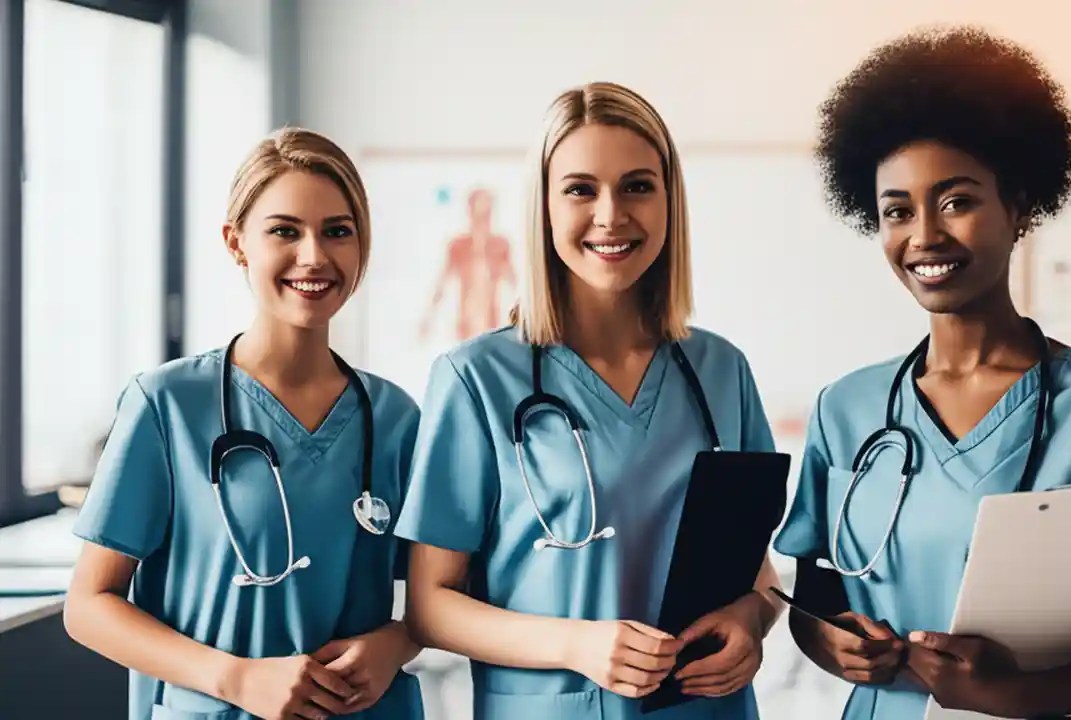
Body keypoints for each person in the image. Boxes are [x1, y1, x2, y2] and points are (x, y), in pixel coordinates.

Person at [773, 27, 1071, 719]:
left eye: (956, 201)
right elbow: (815, 595)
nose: (924, 234)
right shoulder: (847, 409)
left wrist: (1018, 696)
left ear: (1017, 206)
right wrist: (833, 642)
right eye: (897, 211)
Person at [394, 81, 783, 720]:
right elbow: (431, 606)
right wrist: (575, 643)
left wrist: (751, 621)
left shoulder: (720, 370)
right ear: (543, 206)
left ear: (668, 201)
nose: (610, 214)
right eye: (580, 189)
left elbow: (756, 572)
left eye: (637, 186)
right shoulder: (477, 379)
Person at [64, 128, 425, 720]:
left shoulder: (394, 418)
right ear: (237, 243)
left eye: (338, 230)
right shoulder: (168, 406)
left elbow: (443, 598)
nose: (314, 255)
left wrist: (395, 643)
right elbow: (89, 605)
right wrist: (233, 678)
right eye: (285, 230)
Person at [418, 187, 518, 343]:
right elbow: (442, 285)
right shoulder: (459, 246)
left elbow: (514, 285)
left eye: (486, 214)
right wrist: (428, 318)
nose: (483, 221)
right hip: (465, 325)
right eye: (479, 216)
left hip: (491, 324)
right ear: (470, 213)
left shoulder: (499, 246)